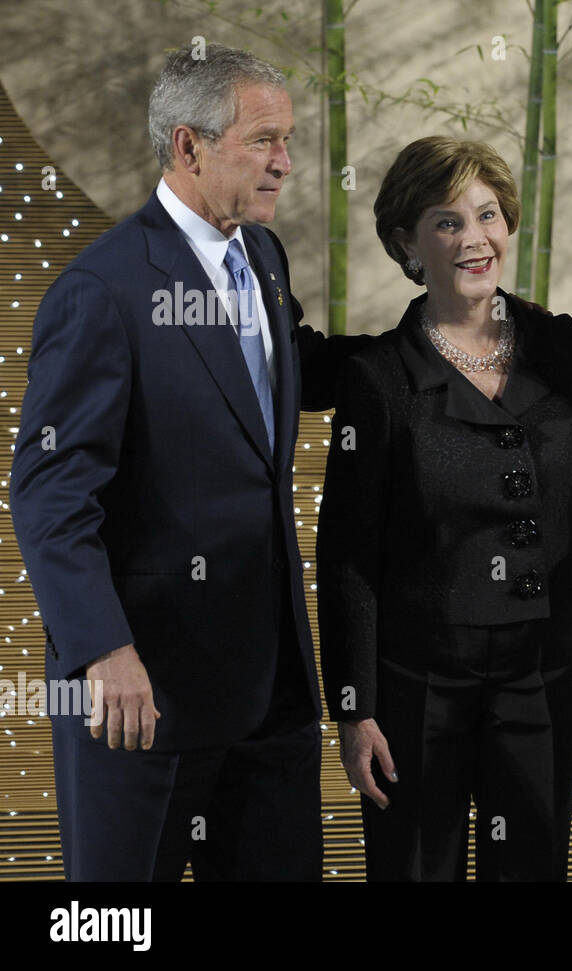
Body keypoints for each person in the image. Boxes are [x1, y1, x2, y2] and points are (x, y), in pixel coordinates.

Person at [9, 45, 368, 881]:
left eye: (289, 138)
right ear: (188, 146)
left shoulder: (264, 260)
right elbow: (50, 495)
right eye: (264, 140)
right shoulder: (103, 292)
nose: (286, 160)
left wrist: (435, 345)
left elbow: (291, 374)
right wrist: (103, 651)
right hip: (145, 699)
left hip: (272, 692)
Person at [315, 135, 572, 881]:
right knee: (414, 865)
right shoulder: (378, 377)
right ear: (407, 242)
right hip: (416, 672)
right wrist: (354, 709)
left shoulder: (552, 342)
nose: (475, 237)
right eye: (447, 221)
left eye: (487, 213)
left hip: (541, 662)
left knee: (531, 863)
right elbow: (349, 552)